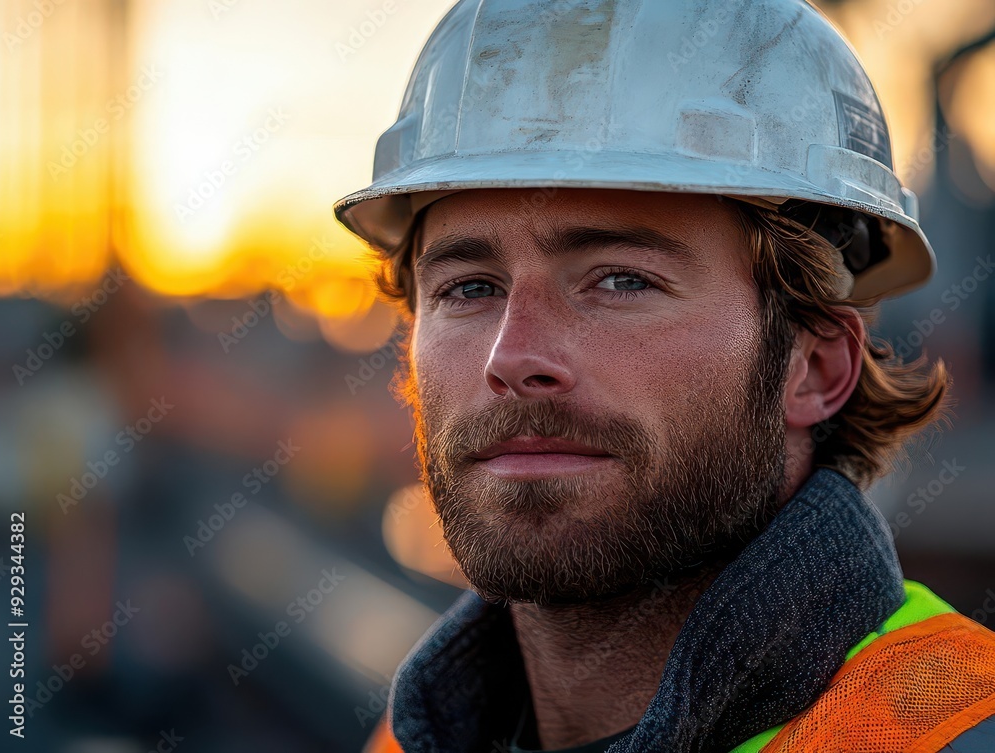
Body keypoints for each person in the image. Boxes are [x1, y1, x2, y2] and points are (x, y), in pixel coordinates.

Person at [334, 1, 995, 751]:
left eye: (620, 281)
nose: (511, 357)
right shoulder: (407, 737)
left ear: (813, 367)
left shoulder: (952, 730)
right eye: (470, 288)